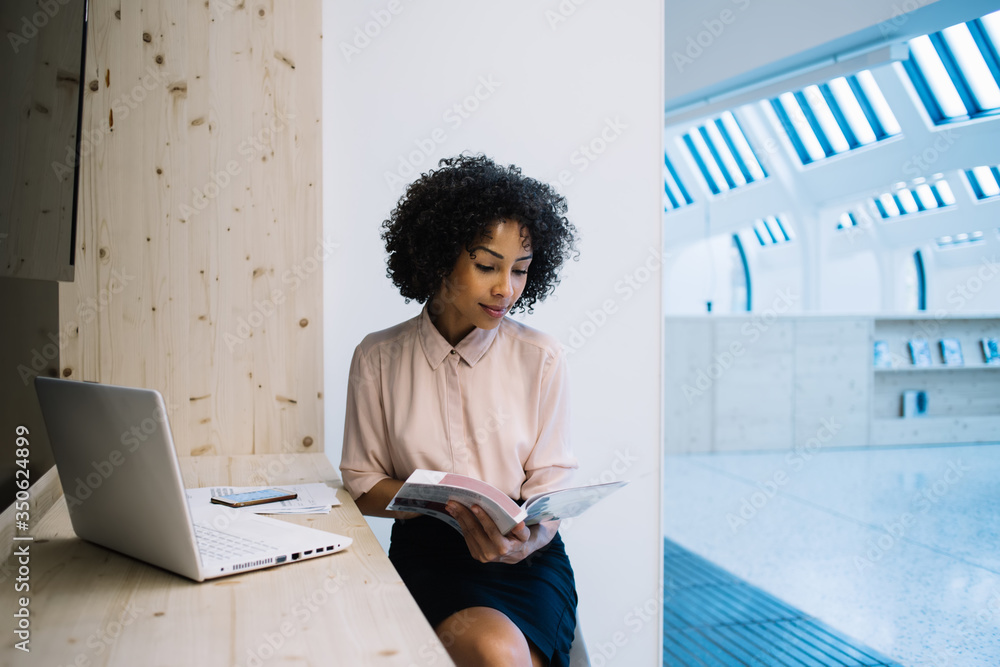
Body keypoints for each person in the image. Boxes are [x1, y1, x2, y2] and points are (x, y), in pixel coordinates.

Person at [339, 154, 581, 667]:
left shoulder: (542, 358)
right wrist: (444, 506)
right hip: (428, 559)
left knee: (500, 654)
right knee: (494, 652)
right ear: (438, 258)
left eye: (520, 270)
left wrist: (525, 542)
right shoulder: (378, 357)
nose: (506, 290)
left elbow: (551, 488)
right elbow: (362, 482)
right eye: (487, 265)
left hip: (527, 561)